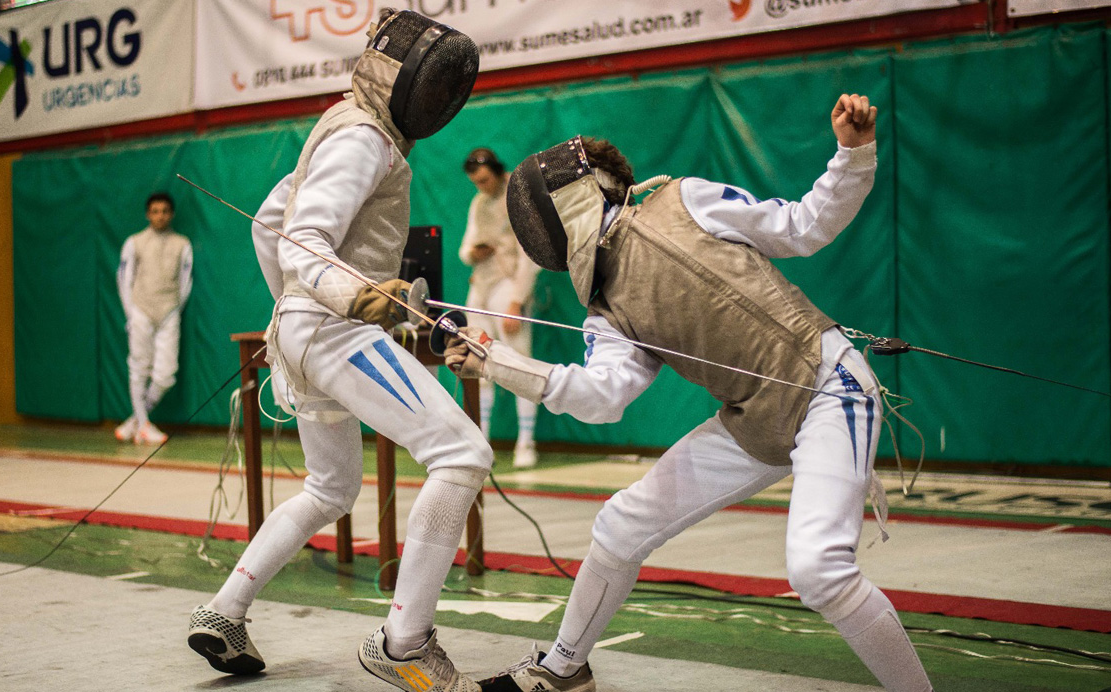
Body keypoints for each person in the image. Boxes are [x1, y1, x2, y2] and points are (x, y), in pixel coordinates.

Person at [448, 95, 934, 692]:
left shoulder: (687, 199)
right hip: (752, 420)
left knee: (819, 571)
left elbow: (804, 225)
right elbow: (604, 396)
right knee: (620, 526)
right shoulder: (604, 309)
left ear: (581, 193)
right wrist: (496, 362)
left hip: (828, 386)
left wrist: (852, 154)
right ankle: (563, 670)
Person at [187, 10, 488, 692]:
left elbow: (270, 224)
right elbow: (306, 239)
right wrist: (346, 297)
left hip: (308, 326)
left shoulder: (341, 128)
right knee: (463, 453)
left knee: (331, 487)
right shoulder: (364, 140)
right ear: (404, 82)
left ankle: (226, 611)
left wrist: (287, 310)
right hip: (333, 328)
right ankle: (403, 644)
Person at [459, 147, 542, 468]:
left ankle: (526, 443)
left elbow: (531, 255)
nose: (481, 186)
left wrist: (516, 301)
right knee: (477, 362)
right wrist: (473, 255)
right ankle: (482, 443)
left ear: (496, 171)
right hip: (482, 285)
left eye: (484, 180)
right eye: (475, 182)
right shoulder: (479, 202)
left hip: (508, 285)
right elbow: (465, 247)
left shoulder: (519, 198)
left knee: (520, 363)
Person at [114, 192, 192, 445]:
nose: (160, 216)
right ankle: (144, 425)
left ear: (172, 214)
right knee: (139, 366)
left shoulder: (182, 243)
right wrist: (131, 313)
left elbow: (185, 282)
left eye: (165, 211)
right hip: (140, 310)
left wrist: (174, 310)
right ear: (148, 214)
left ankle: (135, 421)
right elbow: (124, 279)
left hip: (168, 311)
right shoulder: (134, 242)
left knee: (166, 374)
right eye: (155, 211)